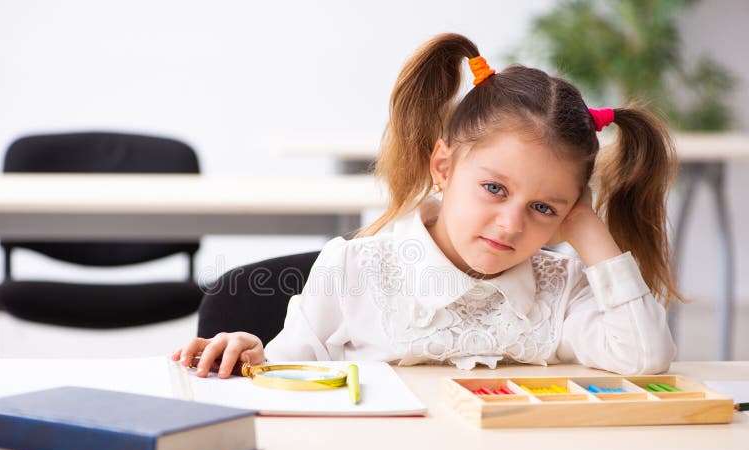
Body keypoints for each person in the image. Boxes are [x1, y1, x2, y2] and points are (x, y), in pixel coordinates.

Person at [172, 33, 681, 379]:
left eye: (545, 208)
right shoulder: (355, 269)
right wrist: (252, 353)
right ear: (443, 167)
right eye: (495, 189)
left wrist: (590, 231)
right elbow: (286, 375)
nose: (510, 224)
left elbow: (645, 355)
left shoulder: (562, 290)